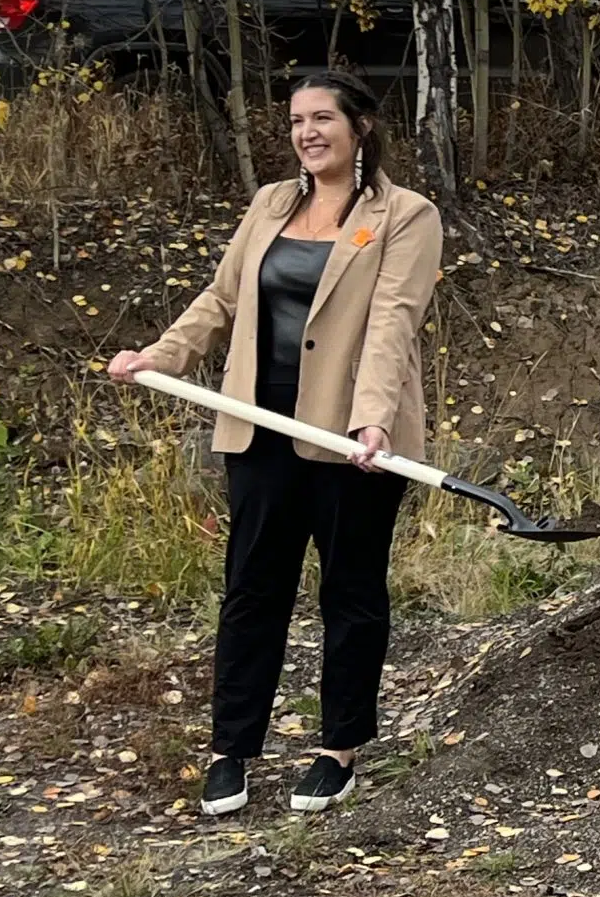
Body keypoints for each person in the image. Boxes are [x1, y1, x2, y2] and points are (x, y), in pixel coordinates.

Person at [108, 70, 441, 819]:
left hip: (351, 435)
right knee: (252, 588)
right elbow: (222, 298)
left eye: (323, 117)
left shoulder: (406, 215)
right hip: (259, 426)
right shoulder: (270, 204)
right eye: (296, 119)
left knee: (349, 592)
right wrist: (161, 355)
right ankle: (233, 748)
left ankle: (339, 749)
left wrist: (373, 418)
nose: (307, 131)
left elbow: (392, 321)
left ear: (361, 126)